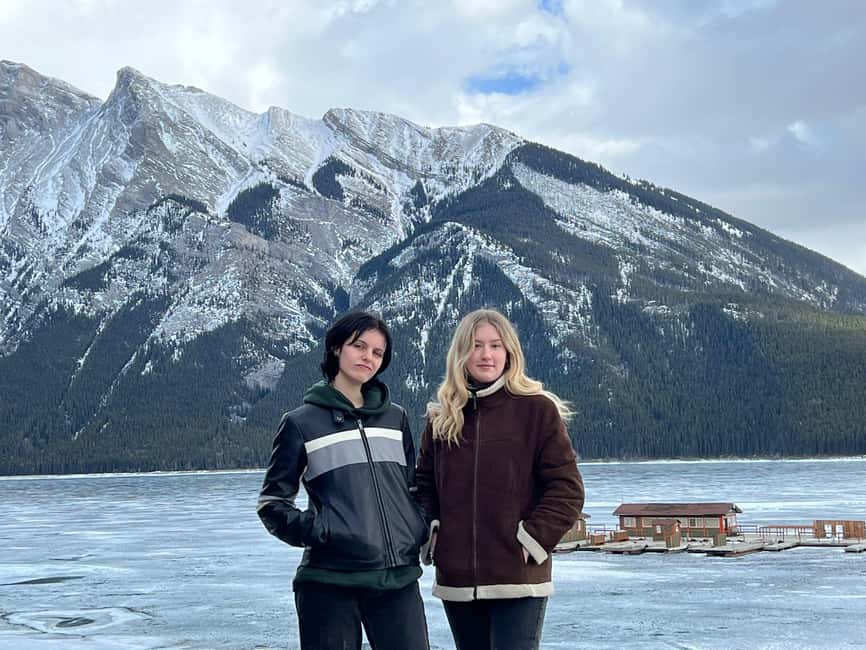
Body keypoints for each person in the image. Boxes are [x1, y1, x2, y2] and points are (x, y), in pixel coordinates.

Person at [257, 311, 430, 650]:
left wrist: (416, 527)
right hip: (329, 582)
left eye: (377, 353)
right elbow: (272, 504)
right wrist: (326, 532)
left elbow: (414, 488)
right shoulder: (300, 422)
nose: (368, 357)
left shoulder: (395, 418)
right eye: (359, 346)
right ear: (337, 348)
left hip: (397, 579)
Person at [415, 308, 585, 650]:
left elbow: (567, 489)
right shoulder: (441, 419)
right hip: (457, 579)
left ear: (509, 353)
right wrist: (433, 532)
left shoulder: (536, 409)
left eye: (495, 345)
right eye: (476, 345)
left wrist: (531, 540)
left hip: (517, 577)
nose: (486, 354)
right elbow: (423, 486)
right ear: (461, 354)